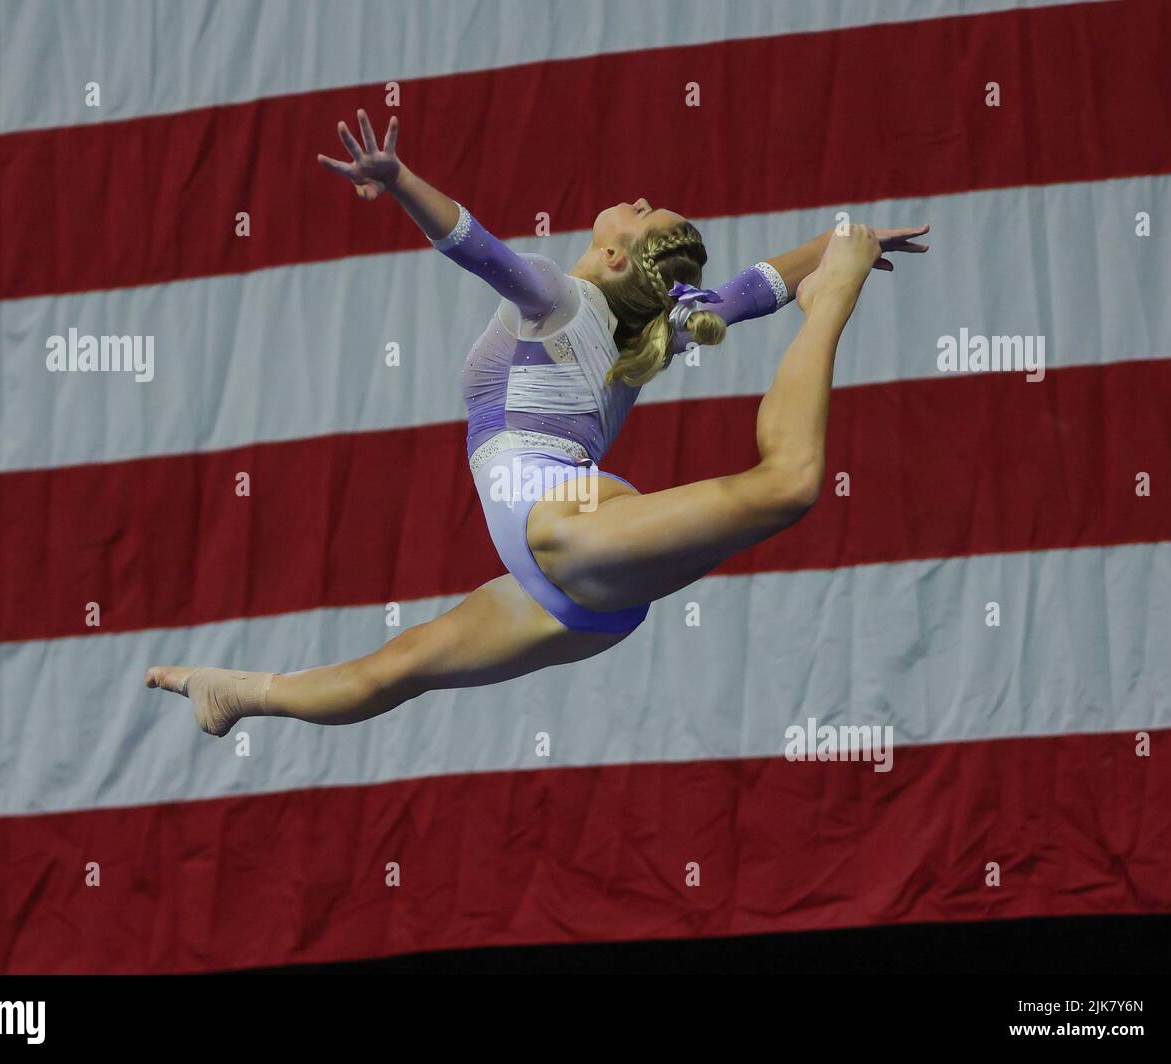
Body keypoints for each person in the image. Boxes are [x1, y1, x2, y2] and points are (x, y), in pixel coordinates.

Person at [145, 110, 929, 735]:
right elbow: (750, 291)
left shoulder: (563, 298)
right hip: (576, 589)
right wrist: (835, 240)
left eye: (644, 212)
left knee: (787, 485)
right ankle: (236, 691)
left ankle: (833, 310)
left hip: (567, 531)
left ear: (619, 260)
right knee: (396, 669)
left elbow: (475, 247)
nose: (638, 197)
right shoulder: (646, 327)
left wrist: (400, 180)